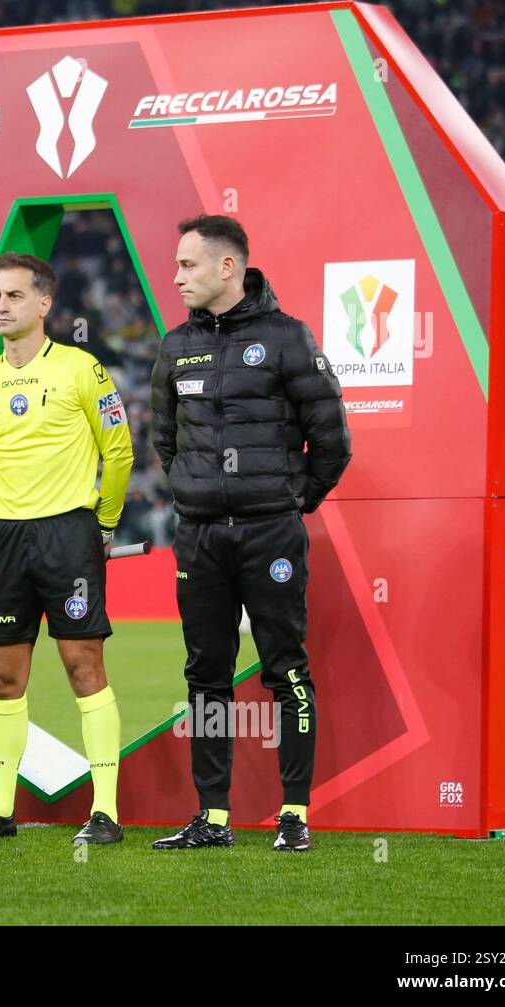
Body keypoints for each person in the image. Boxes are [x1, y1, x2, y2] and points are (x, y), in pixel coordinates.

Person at [149, 215, 351, 852]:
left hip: (272, 537)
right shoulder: (175, 345)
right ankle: (212, 818)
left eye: (188, 265)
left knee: (286, 671)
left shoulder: (289, 339)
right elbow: (164, 440)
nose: (177, 276)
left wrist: (291, 502)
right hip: (200, 539)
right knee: (205, 677)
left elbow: (334, 442)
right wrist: (197, 493)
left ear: (227, 267)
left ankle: (295, 813)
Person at [0, 253, 133, 846]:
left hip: (69, 536)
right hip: (7, 537)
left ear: (44, 304)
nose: (1, 307)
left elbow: (120, 452)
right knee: (3, 678)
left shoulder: (83, 369)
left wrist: (102, 526)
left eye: (14, 297)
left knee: (84, 668)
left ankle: (105, 811)